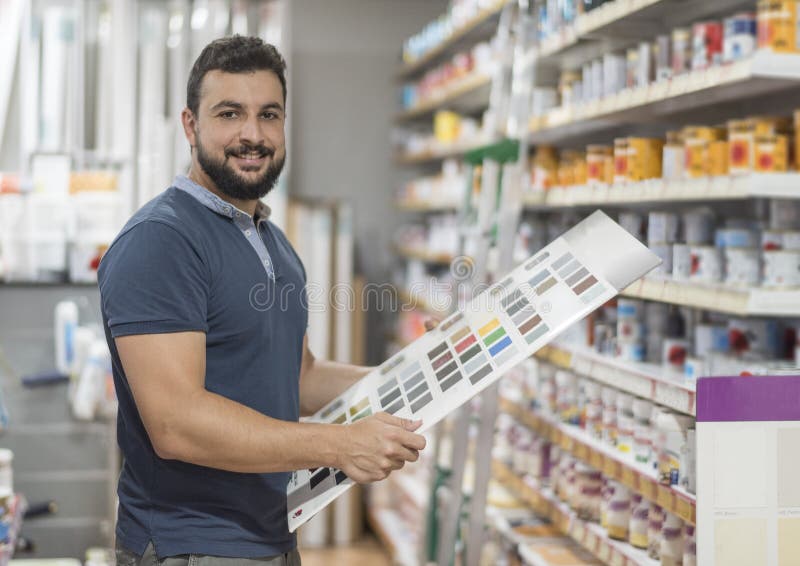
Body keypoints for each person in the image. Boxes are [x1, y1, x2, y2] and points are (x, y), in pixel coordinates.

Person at [99, 36, 425, 565]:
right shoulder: (162, 241)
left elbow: (297, 378)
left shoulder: (272, 243)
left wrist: (423, 370)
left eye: (268, 115)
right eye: (230, 113)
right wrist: (339, 444)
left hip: (272, 537)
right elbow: (175, 423)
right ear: (191, 125)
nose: (253, 134)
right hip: (192, 546)